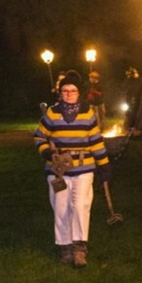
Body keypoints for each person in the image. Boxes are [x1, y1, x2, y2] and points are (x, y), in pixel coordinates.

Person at [34, 70, 111, 268]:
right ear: (60, 93)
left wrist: (104, 165)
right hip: (58, 170)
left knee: (80, 206)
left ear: (79, 92)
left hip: (84, 169)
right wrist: (47, 153)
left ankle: (79, 248)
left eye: (72, 90)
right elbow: (39, 137)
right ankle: (64, 246)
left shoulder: (87, 113)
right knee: (60, 208)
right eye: (65, 91)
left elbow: (96, 141)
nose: (68, 94)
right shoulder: (52, 113)